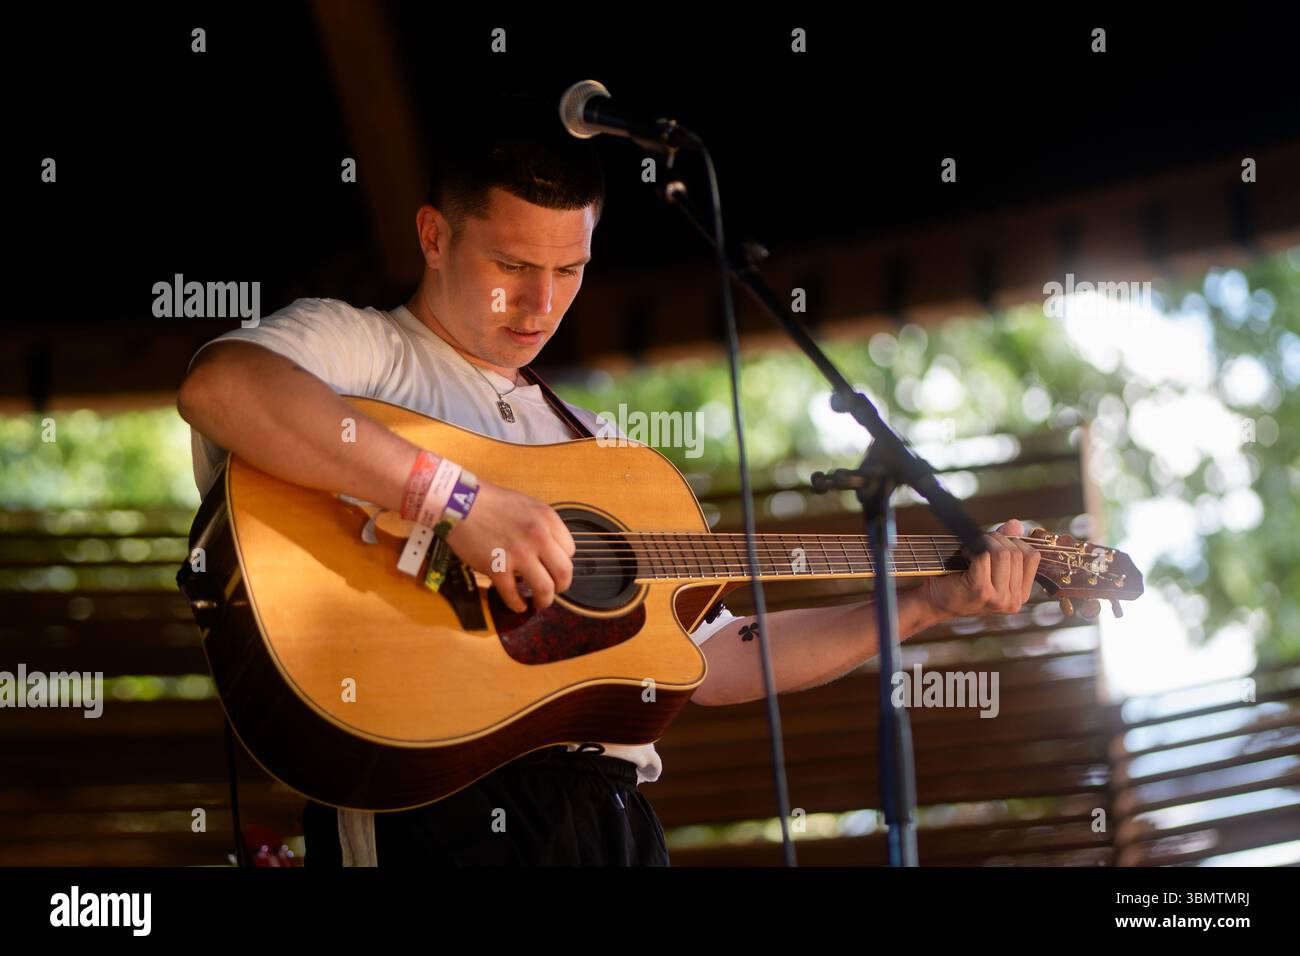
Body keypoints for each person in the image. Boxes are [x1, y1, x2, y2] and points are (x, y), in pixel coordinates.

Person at [177, 94, 1041, 866]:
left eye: (569, 270)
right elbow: (225, 388)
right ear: (435, 236)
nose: (541, 304)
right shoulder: (366, 351)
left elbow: (717, 661)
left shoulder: (597, 450)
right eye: (512, 267)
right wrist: (457, 501)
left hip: (612, 822)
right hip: (433, 801)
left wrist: (925, 605)